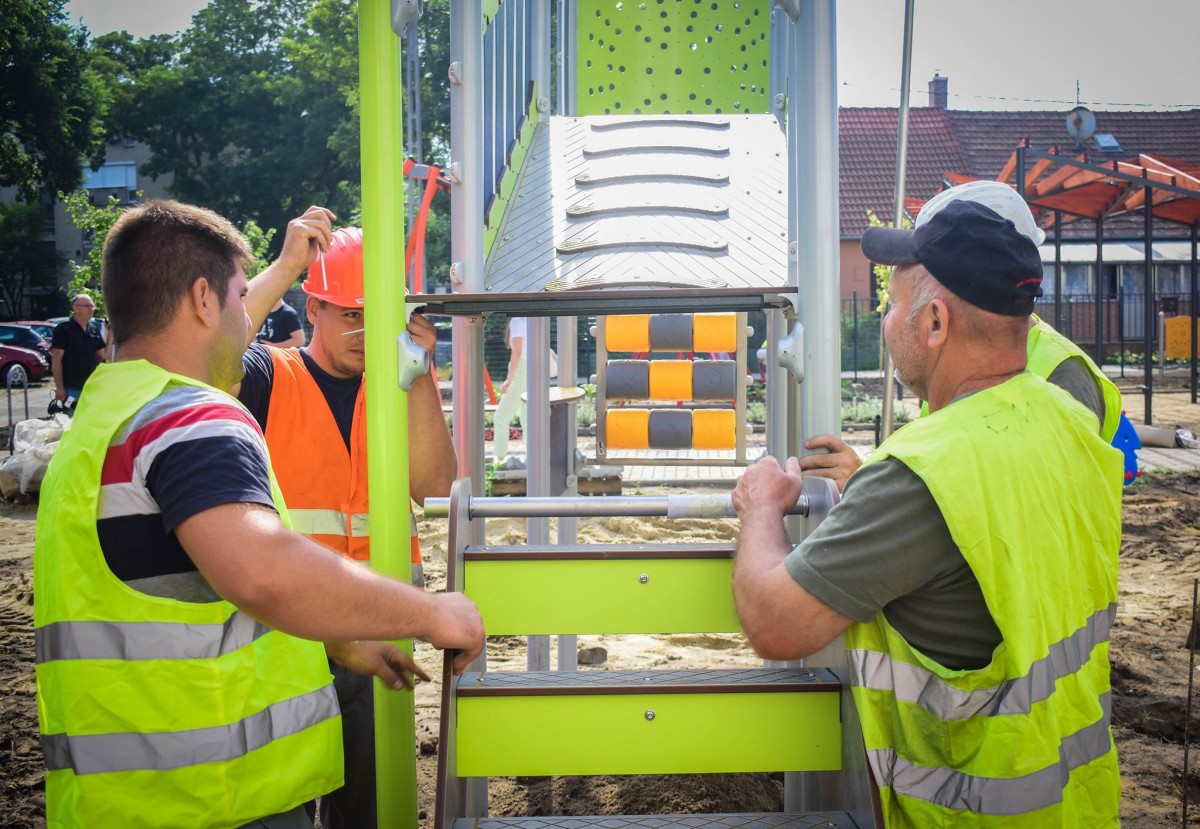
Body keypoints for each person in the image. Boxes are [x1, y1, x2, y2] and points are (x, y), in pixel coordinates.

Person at [34, 200, 484, 829]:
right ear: (205, 299)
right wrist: (434, 613)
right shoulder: (198, 413)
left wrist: (339, 635)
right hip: (215, 786)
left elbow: (184, 591)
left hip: (147, 772)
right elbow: (262, 572)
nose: (250, 313)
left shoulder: (106, 416)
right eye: (241, 296)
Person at [731, 199, 1122, 826]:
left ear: (935, 322)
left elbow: (776, 624)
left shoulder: (922, 475)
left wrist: (759, 508)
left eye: (891, 306)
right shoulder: (1071, 424)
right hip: (1077, 802)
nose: (886, 323)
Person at [236, 226, 457, 829]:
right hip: (283, 637)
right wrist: (285, 267)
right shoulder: (268, 374)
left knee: (368, 808)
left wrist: (419, 375)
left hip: (376, 629)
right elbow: (204, 357)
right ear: (313, 309)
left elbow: (437, 490)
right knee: (278, 804)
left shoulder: (396, 388)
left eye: (376, 315)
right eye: (350, 314)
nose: (364, 330)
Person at [800, 179, 1122, 491]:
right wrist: (872, 479)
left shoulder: (1065, 376)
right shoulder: (958, 361)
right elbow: (948, 470)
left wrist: (875, 492)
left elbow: (1023, 502)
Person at [49, 293, 108, 409]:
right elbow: (56, 360)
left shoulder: (93, 329)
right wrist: (59, 388)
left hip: (91, 386)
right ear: (75, 308)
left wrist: (110, 333)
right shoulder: (63, 329)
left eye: (92, 306)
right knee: (72, 416)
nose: (91, 309)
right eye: (87, 306)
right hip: (71, 388)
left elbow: (106, 355)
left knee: (90, 417)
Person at [492, 316, 528, 467]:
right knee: (527, 417)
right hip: (532, 370)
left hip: (520, 372)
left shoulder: (517, 321)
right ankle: (531, 456)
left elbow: (517, 351)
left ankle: (499, 458)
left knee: (500, 417)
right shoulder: (531, 320)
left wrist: (509, 378)